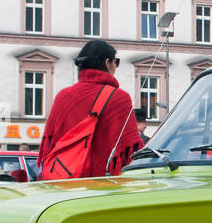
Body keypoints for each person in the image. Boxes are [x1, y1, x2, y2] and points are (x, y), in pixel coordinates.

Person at [38, 40, 143, 178]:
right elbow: (128, 150)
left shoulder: (63, 97)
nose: (115, 67)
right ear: (107, 63)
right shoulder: (119, 98)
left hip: (65, 182)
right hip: (101, 185)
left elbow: (51, 144)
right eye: (115, 62)